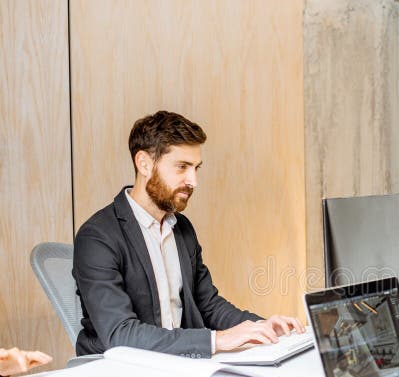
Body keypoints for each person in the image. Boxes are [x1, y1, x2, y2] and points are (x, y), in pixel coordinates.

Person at [73, 110, 304, 358]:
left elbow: (208, 305)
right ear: (144, 164)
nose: (193, 180)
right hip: (122, 371)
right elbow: (121, 333)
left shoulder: (181, 228)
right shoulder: (97, 237)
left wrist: (262, 327)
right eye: (182, 167)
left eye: (196, 168)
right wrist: (217, 340)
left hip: (178, 364)